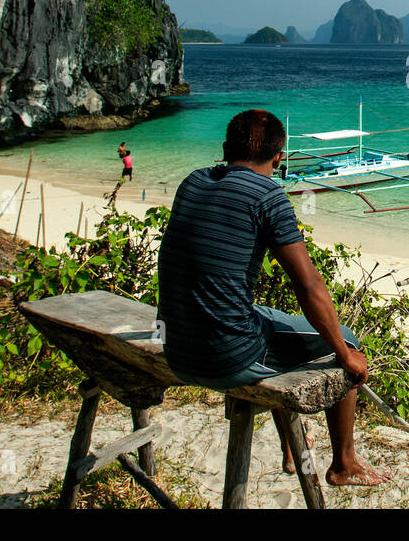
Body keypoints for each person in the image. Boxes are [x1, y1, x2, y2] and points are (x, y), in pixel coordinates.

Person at [156, 109, 388, 486]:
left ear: (225, 149)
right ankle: (344, 463)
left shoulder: (193, 182)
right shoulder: (268, 196)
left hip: (175, 347)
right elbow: (309, 285)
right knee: (346, 339)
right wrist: (346, 356)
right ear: (280, 157)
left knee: (271, 319)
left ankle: (290, 448)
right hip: (225, 356)